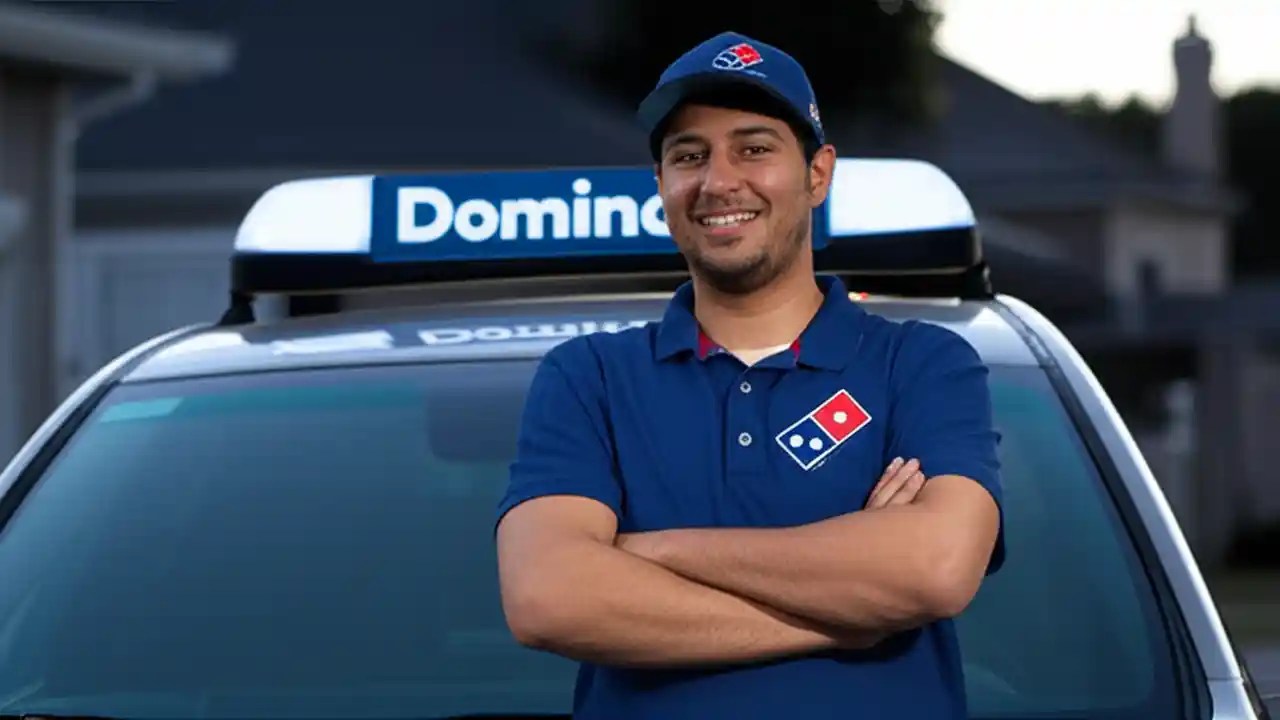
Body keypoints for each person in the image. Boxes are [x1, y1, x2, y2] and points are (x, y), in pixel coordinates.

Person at [494, 30, 1004, 720]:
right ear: (662, 185)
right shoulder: (589, 378)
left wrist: (650, 552)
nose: (718, 181)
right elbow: (548, 599)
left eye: (754, 148)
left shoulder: (922, 364)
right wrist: (851, 614)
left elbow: (935, 570)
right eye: (688, 155)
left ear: (818, 174)